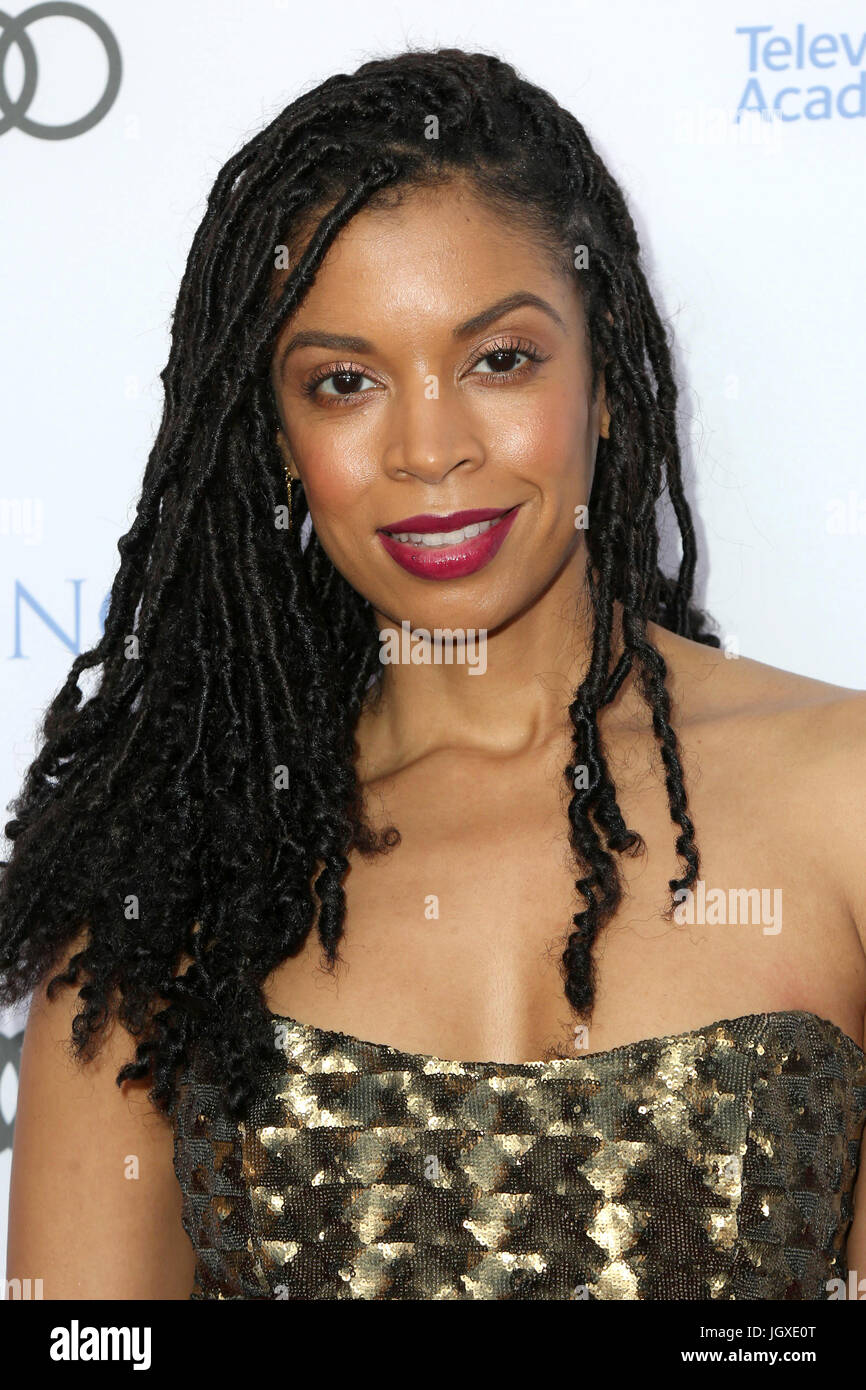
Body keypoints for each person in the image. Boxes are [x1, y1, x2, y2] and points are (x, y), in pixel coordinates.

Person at [3, 47, 865, 1301]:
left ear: (606, 370)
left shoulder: (842, 799)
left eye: (497, 360)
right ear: (278, 440)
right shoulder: (170, 870)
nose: (428, 449)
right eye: (344, 383)